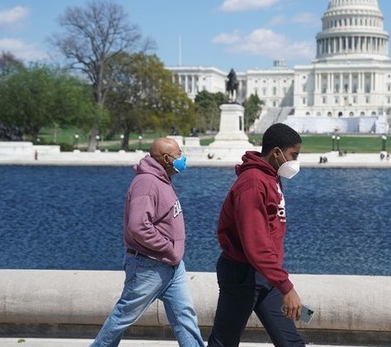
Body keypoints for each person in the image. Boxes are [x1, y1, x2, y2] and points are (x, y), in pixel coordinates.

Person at [91, 138, 204, 347]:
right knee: (122, 317)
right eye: (179, 155)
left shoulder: (162, 178)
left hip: (171, 265)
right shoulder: (147, 183)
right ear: (167, 159)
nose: (183, 159)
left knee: (185, 318)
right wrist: (168, 248)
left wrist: (172, 254)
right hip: (149, 265)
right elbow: (138, 226)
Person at [208, 123, 306, 347]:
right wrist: (286, 286)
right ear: (276, 153)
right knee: (224, 342)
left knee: (290, 342)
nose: (296, 161)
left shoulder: (271, 176)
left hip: (265, 273)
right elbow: (255, 243)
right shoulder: (252, 183)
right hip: (242, 273)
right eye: (294, 155)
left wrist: (277, 277)